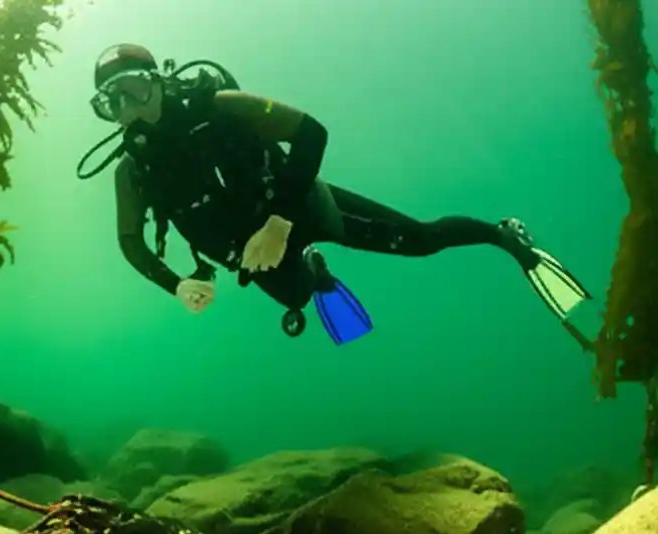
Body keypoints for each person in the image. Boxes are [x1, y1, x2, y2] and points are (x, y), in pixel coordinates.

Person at [77, 43, 592, 345]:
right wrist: (174, 285)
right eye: (112, 100)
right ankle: (314, 274)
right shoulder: (132, 170)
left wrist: (280, 223)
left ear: (160, 82)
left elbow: (311, 133)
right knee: (298, 296)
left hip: (301, 207)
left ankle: (502, 236)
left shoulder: (221, 105)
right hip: (251, 255)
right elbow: (130, 242)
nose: (130, 107)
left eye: (137, 89)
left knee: (421, 240)